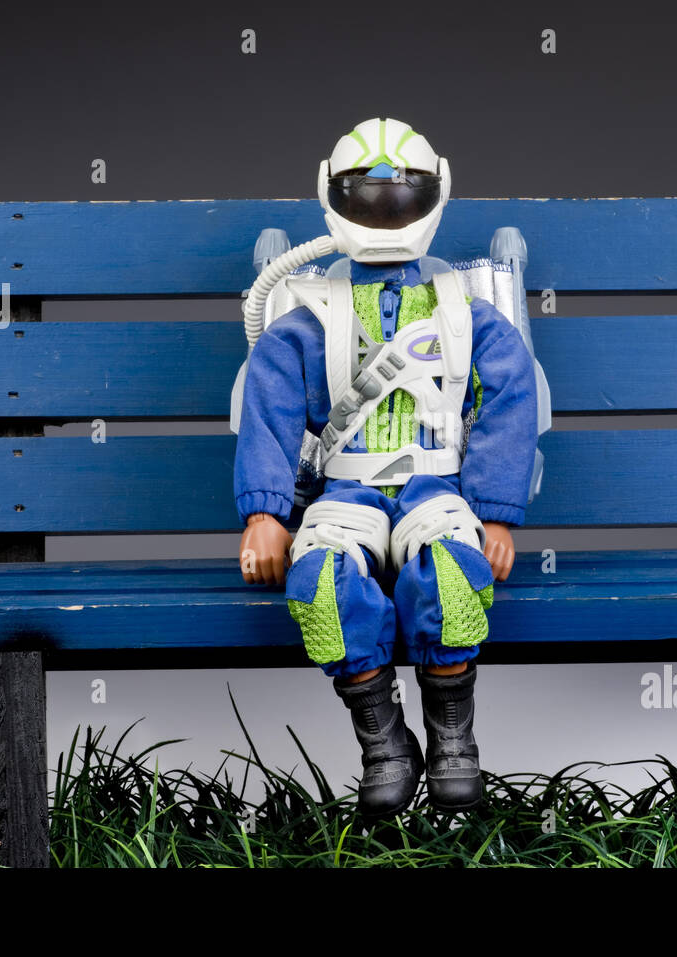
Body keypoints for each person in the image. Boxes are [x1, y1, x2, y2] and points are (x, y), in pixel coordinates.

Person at [234, 117, 538, 817]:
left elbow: (510, 398)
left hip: (437, 484)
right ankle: (382, 740)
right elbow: (271, 406)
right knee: (319, 583)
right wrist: (264, 512)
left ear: (434, 194)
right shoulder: (305, 316)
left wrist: (494, 511)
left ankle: (452, 732)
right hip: (345, 486)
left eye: (398, 195)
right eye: (364, 196)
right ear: (331, 196)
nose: (382, 211)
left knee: (457, 573)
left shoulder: (464, 311)